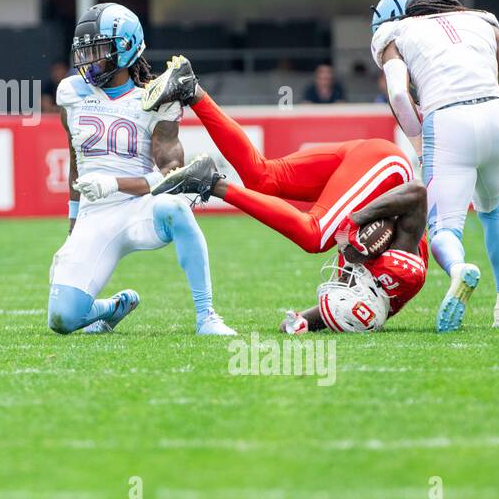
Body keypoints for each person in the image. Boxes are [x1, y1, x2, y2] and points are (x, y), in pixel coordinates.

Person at [142, 54, 429, 331]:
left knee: (262, 178)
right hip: (389, 170)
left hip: (369, 165)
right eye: (346, 288)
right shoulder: (402, 273)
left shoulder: (359, 304)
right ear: (367, 295)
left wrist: (301, 322)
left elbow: (315, 316)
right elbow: (416, 190)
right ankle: (211, 183)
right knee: (315, 235)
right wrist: (354, 222)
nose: (341, 281)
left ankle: (190, 88)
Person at [49, 4, 235, 336]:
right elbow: (75, 164)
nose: (88, 59)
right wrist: (73, 226)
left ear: (125, 49)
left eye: (97, 49)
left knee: (177, 207)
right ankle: (113, 308)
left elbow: (172, 175)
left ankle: (207, 315)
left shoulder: (155, 99)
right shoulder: (72, 94)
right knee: (62, 319)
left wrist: (113, 184)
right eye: (85, 50)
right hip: (94, 217)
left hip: (138, 208)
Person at [370, 0, 499, 331]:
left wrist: (418, 136)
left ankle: (460, 269)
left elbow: (399, 94)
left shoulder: (396, 32)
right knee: (493, 211)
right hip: (494, 115)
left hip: (446, 121)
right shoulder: (477, 19)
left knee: (444, 228)